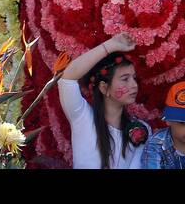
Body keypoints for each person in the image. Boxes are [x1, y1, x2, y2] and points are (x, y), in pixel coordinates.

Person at [58, 33, 150, 169]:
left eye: (134, 78)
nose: (134, 85)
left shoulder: (141, 129)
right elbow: (67, 78)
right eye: (125, 79)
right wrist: (110, 46)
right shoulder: (82, 117)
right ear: (104, 87)